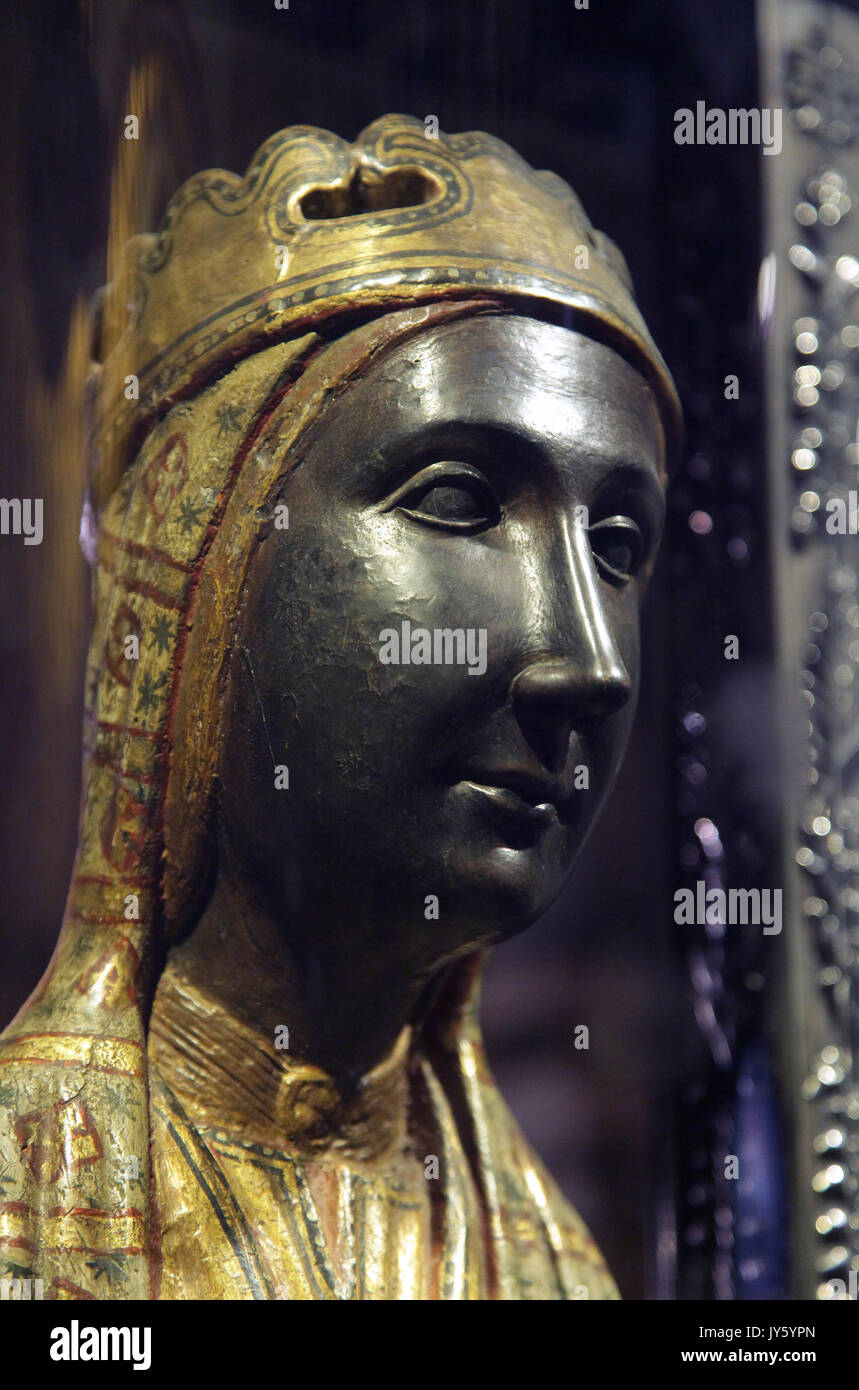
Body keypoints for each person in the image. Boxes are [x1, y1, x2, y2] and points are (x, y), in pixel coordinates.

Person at [0, 114, 680, 1299]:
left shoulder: (550, 1263)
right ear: (204, 560)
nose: (588, 661)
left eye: (616, 545)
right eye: (458, 499)